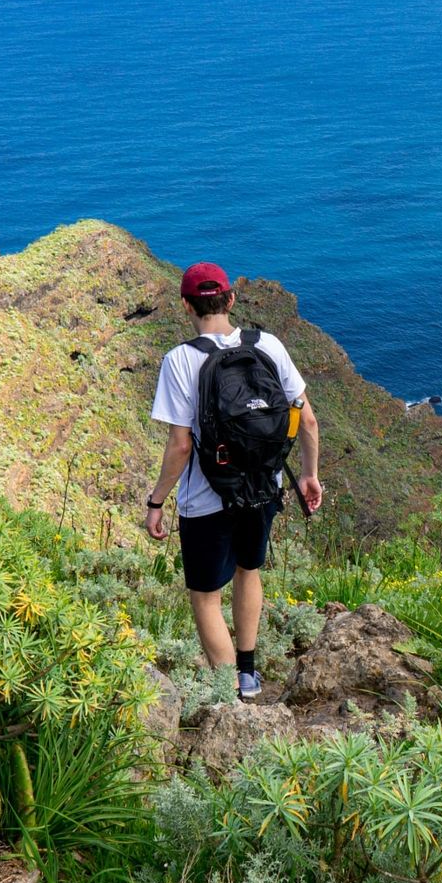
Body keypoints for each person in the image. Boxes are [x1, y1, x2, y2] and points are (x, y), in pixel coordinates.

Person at [146, 261, 324, 701]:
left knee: (205, 597)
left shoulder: (180, 360)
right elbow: (308, 419)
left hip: (207, 498)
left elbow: (180, 446)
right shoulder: (269, 345)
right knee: (249, 570)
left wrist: (156, 501)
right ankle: (248, 674)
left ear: (186, 305)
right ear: (231, 300)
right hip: (263, 487)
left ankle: (229, 696)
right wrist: (308, 475)